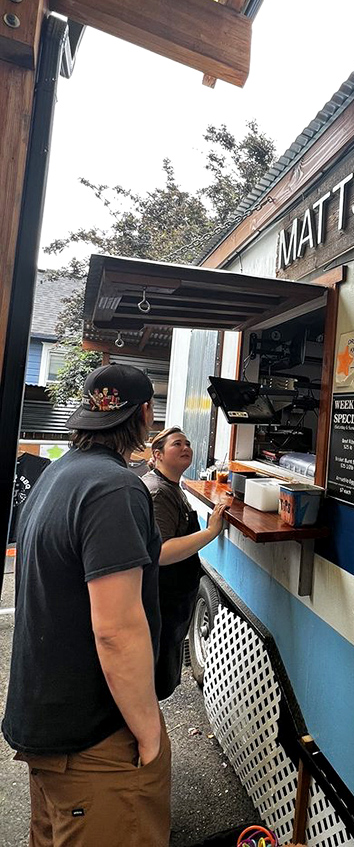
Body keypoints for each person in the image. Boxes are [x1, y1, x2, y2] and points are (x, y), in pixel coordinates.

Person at [2, 363, 170, 847]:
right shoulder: (115, 489)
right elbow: (116, 630)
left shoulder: (60, 474)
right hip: (96, 740)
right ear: (144, 414)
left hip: (48, 726)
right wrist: (149, 736)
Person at [142, 427, 226, 699]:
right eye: (177, 444)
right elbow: (163, 552)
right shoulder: (159, 492)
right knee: (154, 677)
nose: (186, 447)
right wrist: (210, 532)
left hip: (175, 597)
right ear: (158, 455)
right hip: (163, 597)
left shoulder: (171, 486)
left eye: (188, 443)